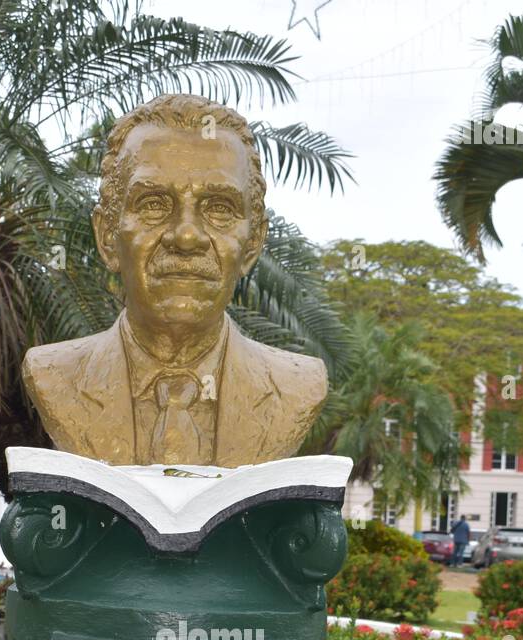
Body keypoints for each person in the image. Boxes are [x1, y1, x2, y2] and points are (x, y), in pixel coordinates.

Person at [21, 94, 328, 468]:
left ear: (252, 245)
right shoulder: (52, 374)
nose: (186, 236)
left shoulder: (298, 385)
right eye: (153, 204)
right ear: (107, 237)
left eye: (219, 209)